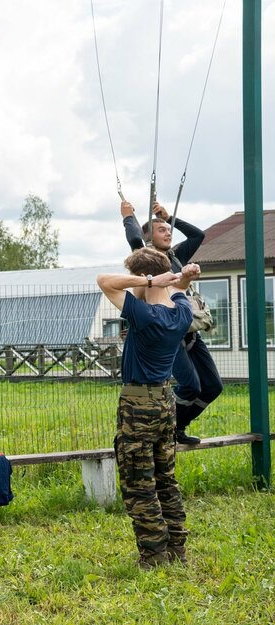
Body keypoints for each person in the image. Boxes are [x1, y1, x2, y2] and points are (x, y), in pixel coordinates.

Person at [97, 248, 200, 568]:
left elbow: (104, 282)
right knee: (165, 479)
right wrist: (180, 279)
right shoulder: (180, 312)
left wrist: (152, 278)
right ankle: (177, 548)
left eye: (138, 282)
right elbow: (178, 292)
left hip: (138, 407)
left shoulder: (145, 315)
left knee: (139, 483)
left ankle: (154, 555)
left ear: (145, 280)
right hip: (165, 403)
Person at [123, 200, 222, 445]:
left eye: (168, 230)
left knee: (212, 387)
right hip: (167, 334)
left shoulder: (175, 257)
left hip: (187, 331)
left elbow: (198, 235)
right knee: (190, 385)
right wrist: (128, 217)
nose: (168, 232)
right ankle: (166, 427)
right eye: (161, 229)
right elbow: (135, 238)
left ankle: (178, 427)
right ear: (148, 238)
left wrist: (169, 218)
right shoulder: (146, 259)